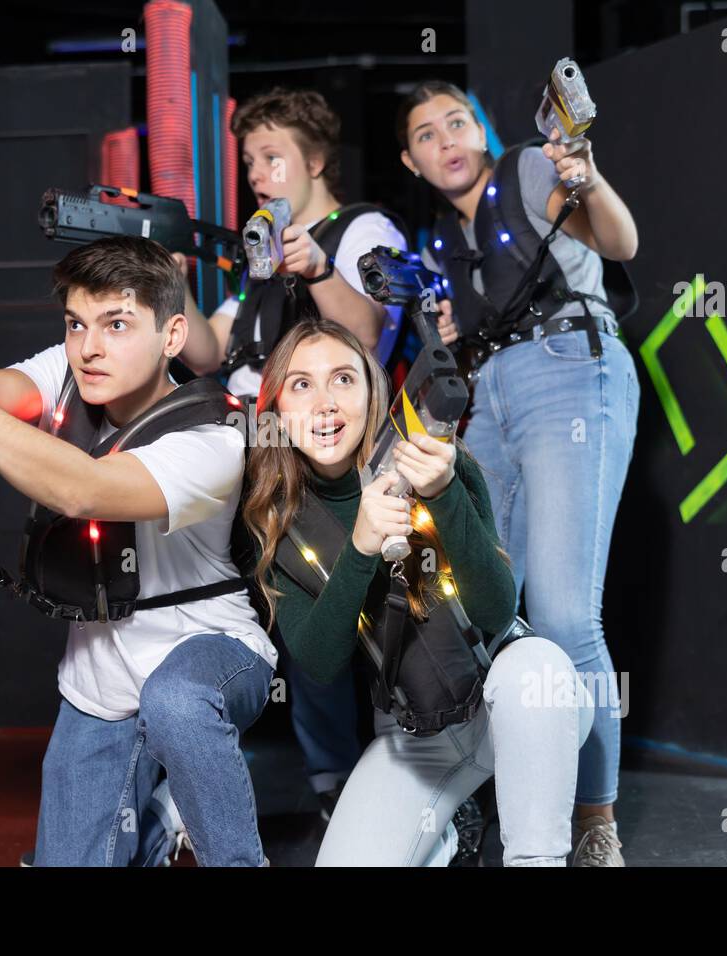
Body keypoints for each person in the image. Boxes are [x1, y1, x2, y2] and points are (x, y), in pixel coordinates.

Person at [0, 235, 277, 866]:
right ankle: (161, 820)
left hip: (210, 654)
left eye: (116, 324)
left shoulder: (214, 438)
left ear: (172, 336)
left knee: (176, 702)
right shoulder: (69, 373)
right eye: (77, 324)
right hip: (100, 681)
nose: (89, 347)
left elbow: (86, 489)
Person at [244, 318, 592, 866]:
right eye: (302, 385)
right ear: (277, 412)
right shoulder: (279, 522)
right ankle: (444, 831)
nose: (325, 403)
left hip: (520, 706)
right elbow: (318, 664)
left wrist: (446, 493)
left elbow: (497, 612)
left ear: (373, 392)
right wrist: (360, 549)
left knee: (536, 667)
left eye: (343, 379)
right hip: (418, 736)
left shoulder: (431, 462)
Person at [399, 80, 640, 865]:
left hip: (568, 363)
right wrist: (450, 330)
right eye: (427, 134)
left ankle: (592, 820)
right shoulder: (439, 244)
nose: (447, 139)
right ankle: (489, 803)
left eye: (457, 121)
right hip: (488, 396)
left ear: (484, 129)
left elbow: (621, 242)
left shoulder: (533, 167)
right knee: (485, 617)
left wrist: (586, 177)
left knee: (567, 618)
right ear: (412, 161)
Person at [177, 86, 409, 816]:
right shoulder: (261, 255)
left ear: (314, 161)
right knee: (288, 609)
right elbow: (213, 348)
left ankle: (396, 775)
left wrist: (314, 269)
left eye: (272, 157)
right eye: (249, 162)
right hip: (256, 442)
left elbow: (369, 334)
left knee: (365, 609)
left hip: (333, 446)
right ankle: (329, 780)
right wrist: (170, 287)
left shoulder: (362, 228)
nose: (256, 175)